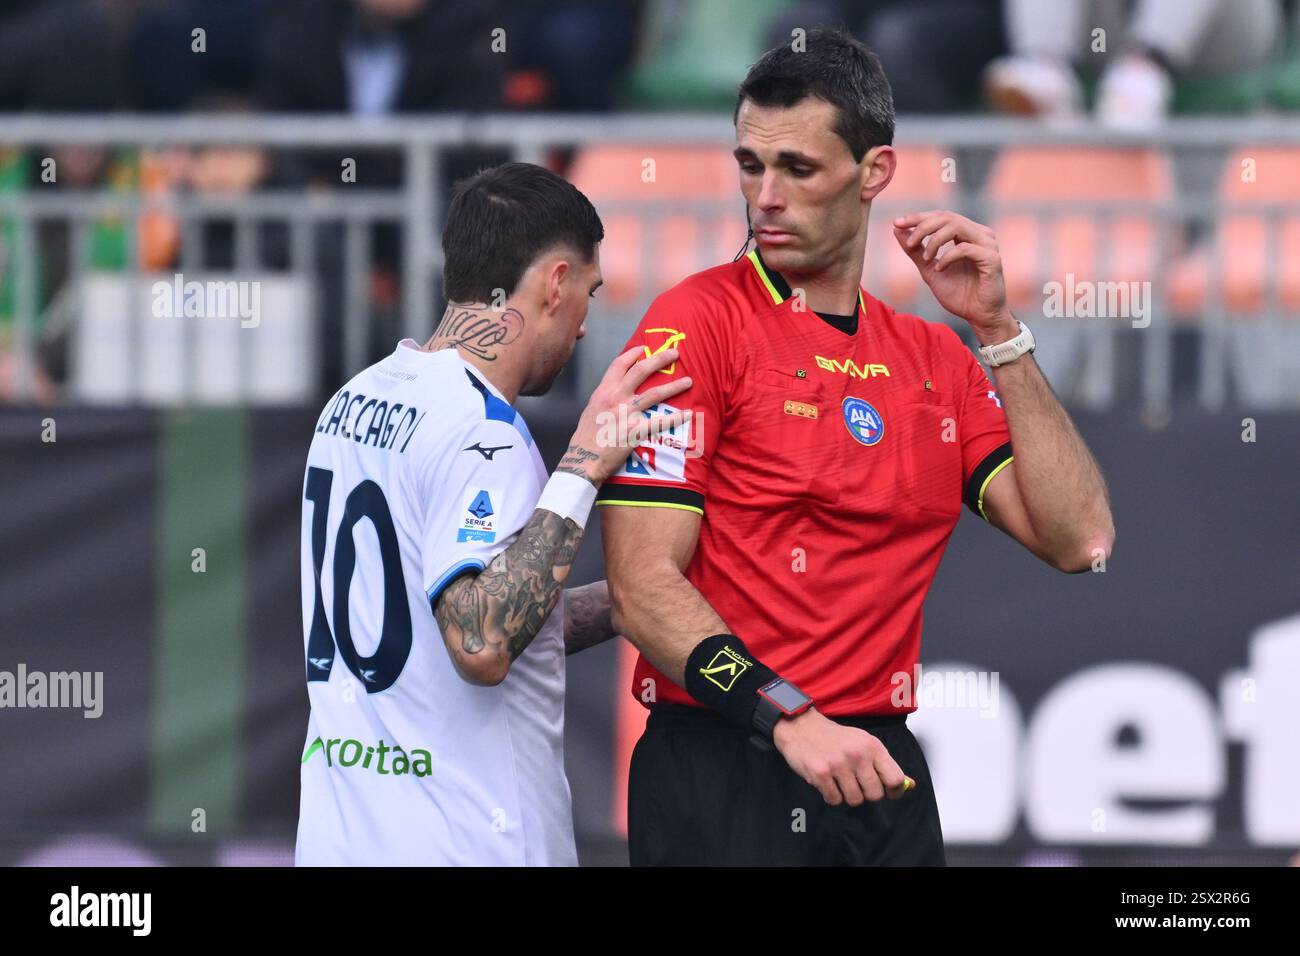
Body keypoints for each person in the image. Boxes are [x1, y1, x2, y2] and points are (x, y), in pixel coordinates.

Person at [598, 28, 1115, 866]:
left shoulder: (936, 359)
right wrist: (787, 717)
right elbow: (640, 586)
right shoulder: (691, 327)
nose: (765, 196)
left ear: (875, 172)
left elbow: (1080, 539)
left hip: (878, 766)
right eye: (749, 165)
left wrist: (998, 330)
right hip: (726, 756)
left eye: (797, 169)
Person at [295, 162, 688, 866]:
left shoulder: (353, 398)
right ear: (556, 282)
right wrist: (584, 464)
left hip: (341, 839)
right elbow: (480, 642)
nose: (582, 327)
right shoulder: (484, 431)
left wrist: (630, 599)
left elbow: (446, 619)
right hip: (464, 843)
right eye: (589, 295)